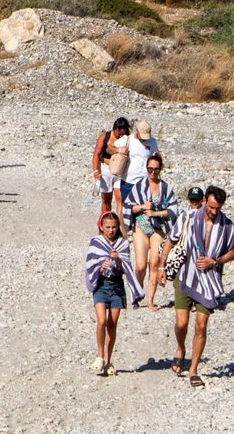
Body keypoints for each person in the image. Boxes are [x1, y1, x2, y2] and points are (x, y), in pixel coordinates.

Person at [173, 185, 234, 387]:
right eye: (211, 207)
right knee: (182, 323)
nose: (213, 211)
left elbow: (233, 252)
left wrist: (215, 261)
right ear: (204, 202)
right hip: (186, 274)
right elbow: (172, 240)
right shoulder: (189, 218)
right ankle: (180, 347)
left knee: (201, 326)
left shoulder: (227, 226)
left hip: (209, 280)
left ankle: (193, 369)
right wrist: (160, 268)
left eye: (217, 208)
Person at [84, 211, 142, 377]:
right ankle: (99, 355)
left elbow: (126, 268)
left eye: (114, 227)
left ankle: (109, 360)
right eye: (107, 227)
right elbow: (91, 263)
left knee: (112, 324)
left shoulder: (123, 245)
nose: (111, 230)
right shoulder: (96, 242)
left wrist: (117, 260)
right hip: (101, 285)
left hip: (116, 285)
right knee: (101, 320)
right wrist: (99, 269)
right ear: (101, 227)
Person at [124, 155, 177, 310]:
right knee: (140, 265)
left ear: (161, 170)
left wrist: (157, 213)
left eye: (156, 169)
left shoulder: (166, 189)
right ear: (146, 169)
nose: (153, 172)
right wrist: (142, 207)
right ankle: (137, 294)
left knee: (154, 263)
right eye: (150, 169)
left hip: (158, 229)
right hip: (141, 227)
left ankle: (150, 300)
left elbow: (173, 210)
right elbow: (128, 207)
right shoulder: (139, 186)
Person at [120, 121, 159, 229]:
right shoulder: (128, 140)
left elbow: (155, 157)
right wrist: (120, 151)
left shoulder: (152, 142)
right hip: (128, 180)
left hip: (144, 181)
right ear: (137, 131)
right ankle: (126, 231)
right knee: (127, 207)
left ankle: (140, 230)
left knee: (143, 207)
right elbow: (111, 148)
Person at [90, 117, 131, 216]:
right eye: (119, 134)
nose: (121, 136)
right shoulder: (105, 137)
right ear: (114, 129)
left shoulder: (128, 139)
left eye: (123, 134)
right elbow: (96, 154)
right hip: (106, 169)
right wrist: (96, 171)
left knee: (120, 199)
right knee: (106, 199)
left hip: (121, 171)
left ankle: (121, 225)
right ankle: (105, 224)